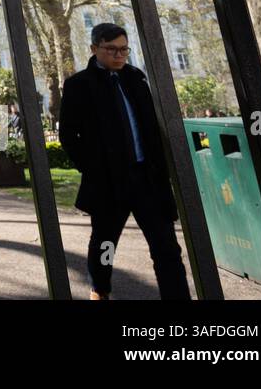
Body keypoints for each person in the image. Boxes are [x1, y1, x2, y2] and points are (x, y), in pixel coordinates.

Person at [59, 23, 190, 301]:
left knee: (166, 246)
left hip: (147, 181)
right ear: (95, 49)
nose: (119, 55)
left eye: (124, 50)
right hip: (110, 183)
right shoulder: (78, 85)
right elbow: (68, 135)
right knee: (105, 244)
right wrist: (93, 167)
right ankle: (100, 289)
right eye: (112, 50)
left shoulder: (136, 78)